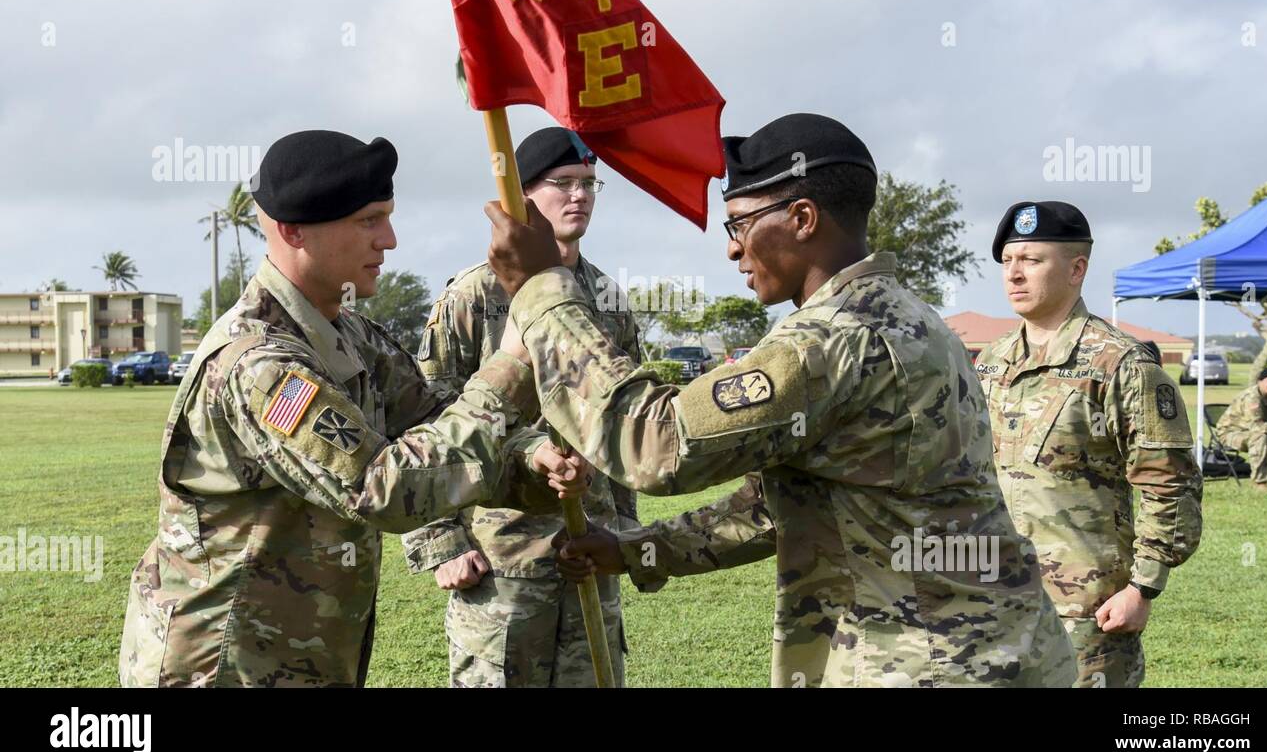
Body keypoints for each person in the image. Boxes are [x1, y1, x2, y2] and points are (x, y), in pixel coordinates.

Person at [484, 113, 1075, 688]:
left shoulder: (828, 341)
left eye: (738, 224)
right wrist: (640, 550)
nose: (733, 250)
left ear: (801, 218)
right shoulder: (902, 313)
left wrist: (543, 294)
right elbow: (772, 507)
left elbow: (655, 445)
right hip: (986, 649)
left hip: (925, 661)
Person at [118, 130, 585, 688]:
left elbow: (436, 419)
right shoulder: (259, 364)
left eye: (387, 217)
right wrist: (510, 359)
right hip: (227, 663)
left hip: (301, 654)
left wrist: (530, 459)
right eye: (368, 221)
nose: (389, 240)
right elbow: (379, 488)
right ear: (293, 230)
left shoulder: (349, 332)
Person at [402, 128, 641, 687]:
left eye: (589, 184)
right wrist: (442, 544)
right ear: (522, 198)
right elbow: (424, 418)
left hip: (586, 552)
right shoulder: (471, 297)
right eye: (563, 183)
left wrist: (626, 533)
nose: (579, 196)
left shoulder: (607, 300)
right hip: (499, 556)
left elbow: (626, 421)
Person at [974, 201, 1203, 688]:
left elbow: (1170, 483)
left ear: (1077, 268)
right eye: (1007, 261)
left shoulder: (1121, 365)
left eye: (1031, 260)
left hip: (1085, 615)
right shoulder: (990, 362)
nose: (1013, 274)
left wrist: (1144, 587)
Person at [1216, 367, 1267, 488]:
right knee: (1259, 437)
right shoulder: (1251, 397)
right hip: (1231, 433)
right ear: (1259, 382)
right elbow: (1256, 426)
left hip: (1256, 431)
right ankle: (1260, 482)